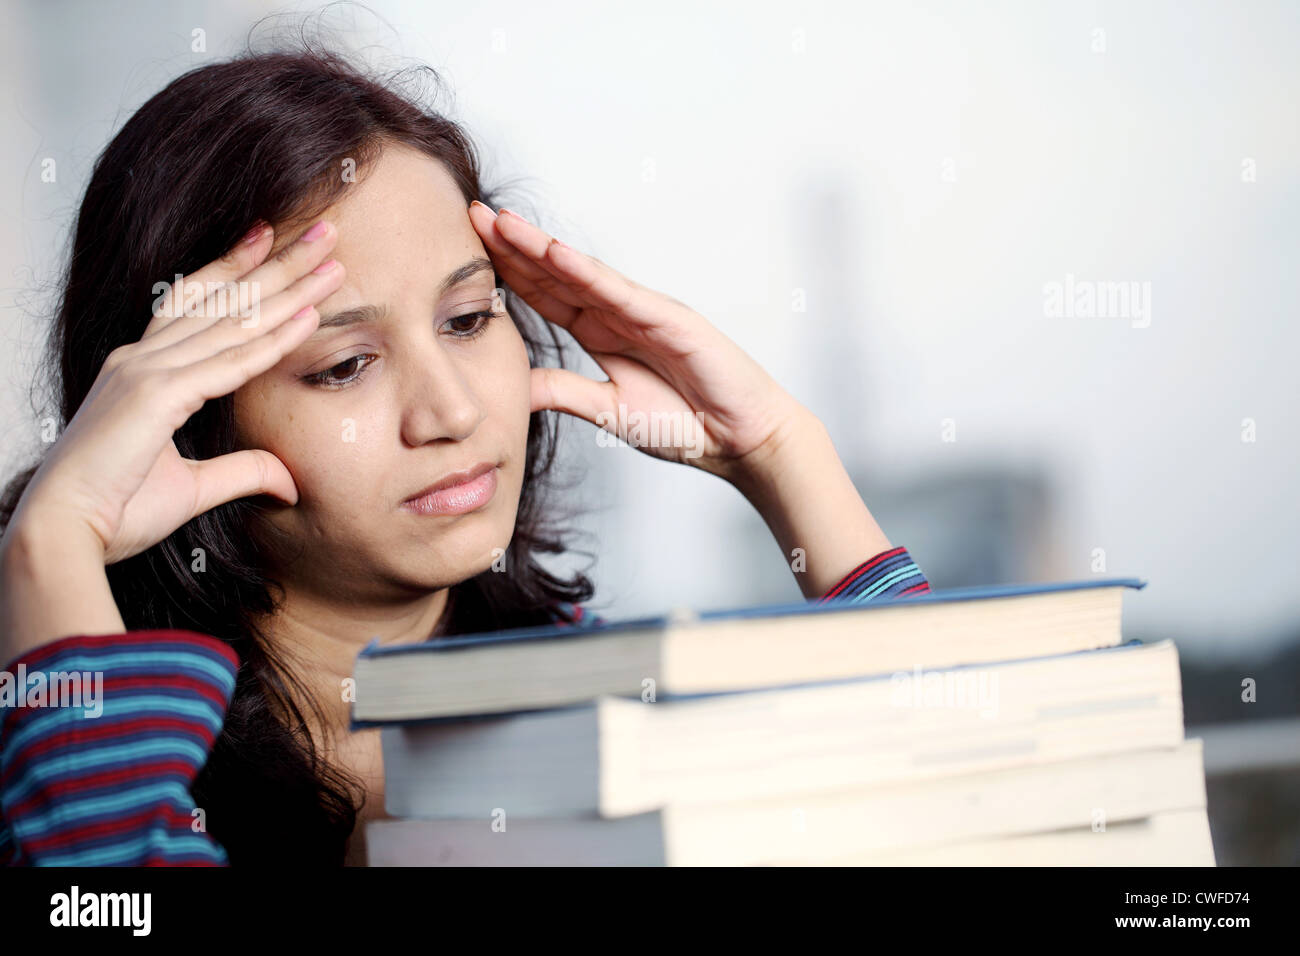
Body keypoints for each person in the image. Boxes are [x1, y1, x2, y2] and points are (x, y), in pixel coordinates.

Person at [0, 43, 928, 866]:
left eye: (472, 318)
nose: (449, 410)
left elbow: (962, 790)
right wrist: (53, 545)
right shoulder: (43, 745)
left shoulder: (604, 714)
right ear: (182, 420)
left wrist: (779, 450)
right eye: (347, 365)